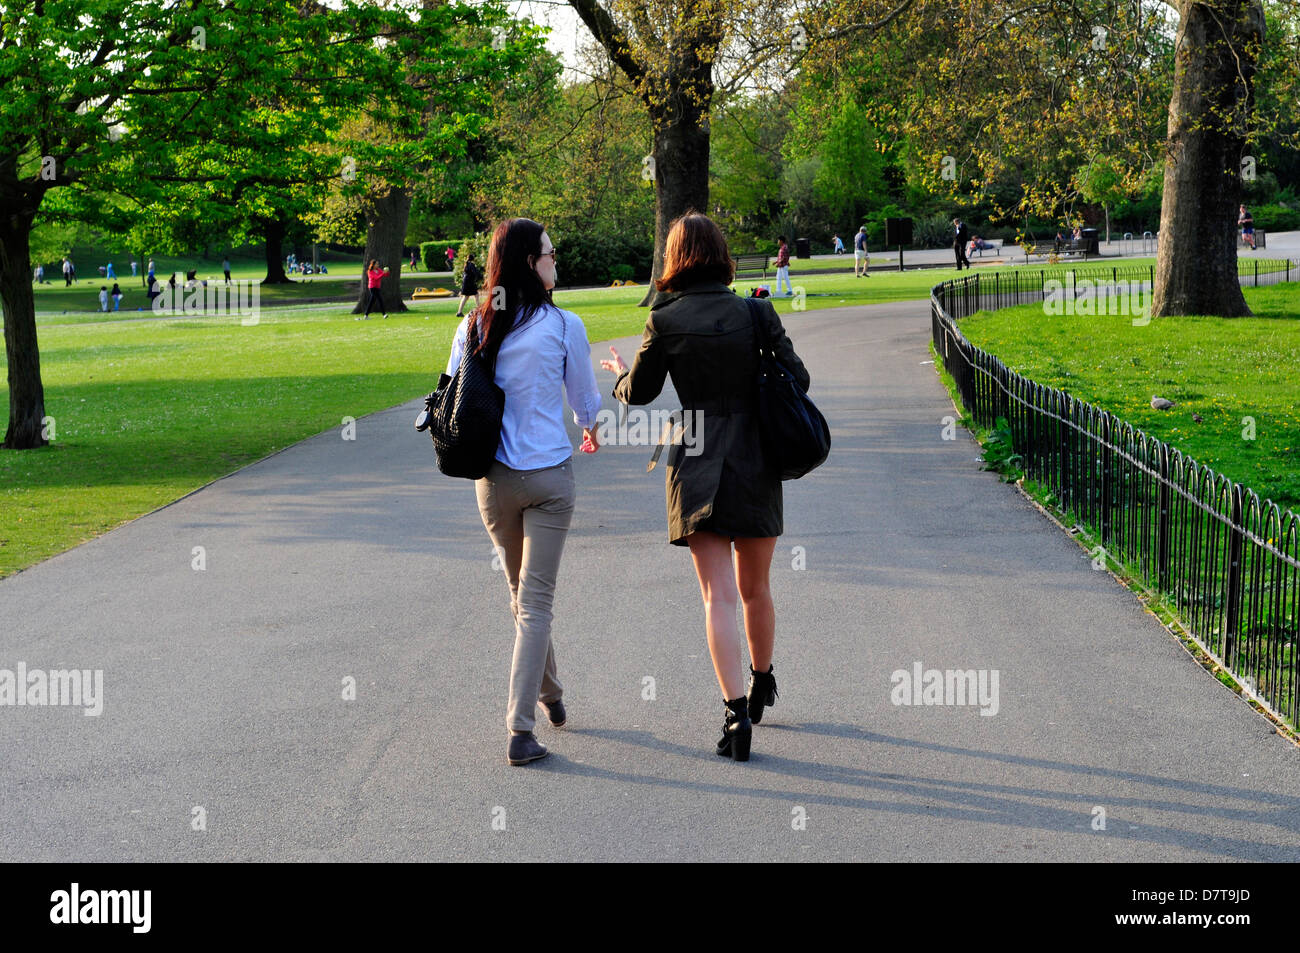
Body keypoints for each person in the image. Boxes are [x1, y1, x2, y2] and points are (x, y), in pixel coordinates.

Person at [601, 212, 811, 763]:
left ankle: (735, 714)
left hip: (693, 452)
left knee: (716, 593)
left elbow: (641, 394)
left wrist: (619, 375)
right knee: (755, 588)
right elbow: (800, 381)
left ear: (675, 258)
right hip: (755, 452)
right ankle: (762, 679)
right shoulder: (756, 312)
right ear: (721, 254)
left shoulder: (665, 318)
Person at [447, 218, 602, 766]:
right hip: (548, 479)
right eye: (549, 254)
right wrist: (590, 427)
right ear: (529, 264)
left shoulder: (473, 326)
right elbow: (586, 404)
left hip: (491, 481)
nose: (556, 261)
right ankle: (519, 730)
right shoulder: (564, 325)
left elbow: (452, 394)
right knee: (533, 605)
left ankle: (552, 696)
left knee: (524, 601)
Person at [455, 252, 483, 318]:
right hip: (470, 283)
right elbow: (475, 273)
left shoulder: (467, 264)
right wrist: (481, 276)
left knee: (465, 297)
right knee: (476, 295)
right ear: (473, 259)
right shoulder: (471, 265)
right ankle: (479, 310)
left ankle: (459, 312)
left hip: (466, 283)